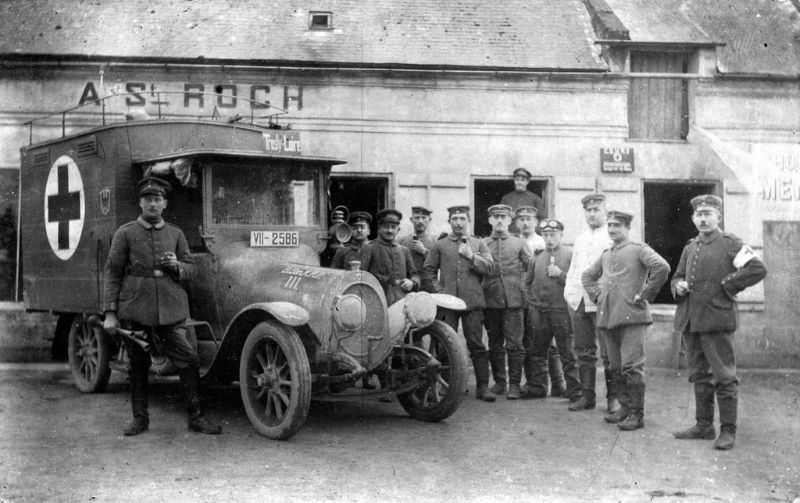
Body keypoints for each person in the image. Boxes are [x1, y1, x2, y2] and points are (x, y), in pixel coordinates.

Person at [103, 177, 221, 436]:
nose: (153, 204)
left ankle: (196, 418)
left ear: (165, 204)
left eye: (157, 200)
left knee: (189, 360)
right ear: (141, 203)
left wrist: (177, 266)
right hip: (136, 308)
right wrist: (110, 313)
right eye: (148, 200)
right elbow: (112, 272)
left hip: (171, 309)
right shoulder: (125, 233)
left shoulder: (176, 234)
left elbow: (192, 270)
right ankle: (140, 420)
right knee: (137, 365)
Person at [671, 195, 767, 450]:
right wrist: (677, 287)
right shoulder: (690, 246)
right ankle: (704, 426)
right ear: (693, 219)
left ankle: (728, 431)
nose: (703, 219)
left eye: (708, 214)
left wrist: (727, 286)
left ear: (718, 216)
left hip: (717, 318)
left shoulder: (730, 243)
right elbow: (678, 275)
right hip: (691, 320)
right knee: (699, 374)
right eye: (698, 215)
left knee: (724, 376)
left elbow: (757, 268)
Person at [581, 210, 670, 431]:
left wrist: (646, 294)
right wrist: (596, 295)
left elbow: (662, 267)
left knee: (632, 365)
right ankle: (624, 408)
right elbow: (587, 276)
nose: (612, 229)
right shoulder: (606, 254)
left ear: (627, 228)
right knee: (615, 366)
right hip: (609, 316)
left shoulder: (639, 249)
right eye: (610, 225)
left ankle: (637, 415)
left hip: (633, 316)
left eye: (617, 226)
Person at [422, 205, 496, 401]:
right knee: (444, 343)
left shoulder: (478, 244)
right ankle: (446, 385)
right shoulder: (440, 245)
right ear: (449, 222)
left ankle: (482, 387)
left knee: (476, 344)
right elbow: (428, 271)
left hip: (472, 302)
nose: (459, 223)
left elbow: (490, 268)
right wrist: (439, 292)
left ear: (468, 221)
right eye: (455, 219)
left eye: (462, 219)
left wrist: (471, 256)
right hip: (447, 303)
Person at [563, 193, 617, 412]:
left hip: (603, 302)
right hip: (579, 302)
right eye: (589, 210)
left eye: (597, 210)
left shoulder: (612, 236)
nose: (592, 214)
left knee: (608, 353)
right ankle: (587, 397)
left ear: (605, 211)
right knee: (583, 351)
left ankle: (613, 399)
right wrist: (570, 292)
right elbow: (575, 268)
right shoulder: (581, 238)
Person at [522, 218, 580, 400]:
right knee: (538, 352)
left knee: (567, 353)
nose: (549, 238)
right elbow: (527, 282)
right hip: (539, 312)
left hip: (561, 311)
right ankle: (538, 387)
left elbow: (578, 281)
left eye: (553, 234)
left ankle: (574, 391)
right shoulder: (537, 257)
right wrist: (531, 302)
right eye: (545, 234)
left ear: (561, 235)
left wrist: (560, 274)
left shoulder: (570, 255)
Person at [482, 204, 533, 400]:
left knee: (515, 344)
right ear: (490, 220)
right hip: (491, 298)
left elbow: (531, 267)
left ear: (510, 220)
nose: (500, 220)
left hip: (514, 300)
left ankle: (514, 385)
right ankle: (500, 382)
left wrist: (525, 291)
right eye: (496, 217)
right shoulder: (483, 243)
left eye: (503, 216)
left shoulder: (519, 243)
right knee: (494, 343)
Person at [516, 206, 565, 398]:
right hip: (524, 299)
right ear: (516, 222)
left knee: (548, 344)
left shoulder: (542, 242)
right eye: (521, 219)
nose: (525, 223)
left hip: (545, 302)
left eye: (529, 219)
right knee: (531, 343)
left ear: (536, 222)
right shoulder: (515, 240)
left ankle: (558, 383)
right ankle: (535, 383)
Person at [367, 208, 419, 305]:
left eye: (393, 227)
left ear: (398, 229)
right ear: (379, 228)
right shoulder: (369, 248)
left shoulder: (404, 250)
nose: (390, 230)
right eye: (386, 227)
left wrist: (412, 283)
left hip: (402, 300)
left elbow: (414, 274)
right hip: (378, 300)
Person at [501, 167, 546, 235]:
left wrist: (533, 233)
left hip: (528, 235)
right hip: (511, 235)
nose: (519, 182)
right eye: (517, 180)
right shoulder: (506, 198)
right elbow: (501, 218)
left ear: (527, 182)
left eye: (522, 180)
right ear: (514, 181)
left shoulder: (535, 199)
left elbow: (542, 219)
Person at [399, 206, 436, 274]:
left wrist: (424, 252)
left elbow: (439, 263)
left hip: (428, 281)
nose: (420, 221)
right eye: (417, 217)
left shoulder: (435, 241)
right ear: (411, 220)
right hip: (408, 281)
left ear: (430, 220)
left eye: (423, 217)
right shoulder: (402, 241)